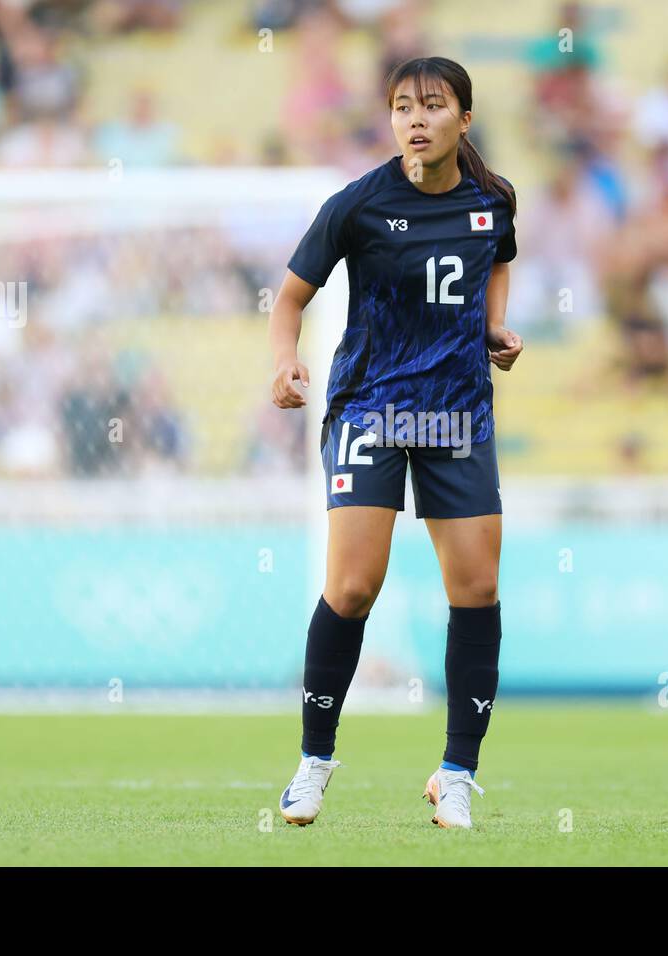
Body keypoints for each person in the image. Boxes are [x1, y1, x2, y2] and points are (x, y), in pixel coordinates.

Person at [266, 56, 522, 829]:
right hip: (372, 409)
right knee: (352, 588)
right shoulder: (358, 204)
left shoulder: (494, 202)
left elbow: (496, 264)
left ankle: (458, 772)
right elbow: (289, 300)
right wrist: (285, 359)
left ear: (463, 119)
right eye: (404, 106)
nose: (416, 118)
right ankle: (313, 762)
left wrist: (494, 331)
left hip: (455, 414)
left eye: (433, 105)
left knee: (475, 589)